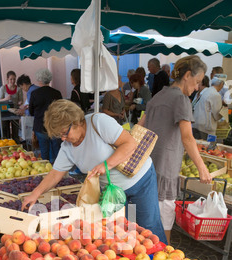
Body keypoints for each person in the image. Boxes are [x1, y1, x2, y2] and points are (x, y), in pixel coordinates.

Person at [22, 99, 167, 245]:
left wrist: (106, 165)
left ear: (76, 121)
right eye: (60, 136)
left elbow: (130, 144)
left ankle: (164, 256)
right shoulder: (67, 147)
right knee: (124, 233)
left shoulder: (98, 122)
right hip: (112, 195)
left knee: (149, 228)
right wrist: (35, 194)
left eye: (65, 133)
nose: (64, 139)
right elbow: (55, 174)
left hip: (140, 181)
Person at [139, 55, 212, 245]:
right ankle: (163, 258)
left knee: (146, 221)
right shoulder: (181, 99)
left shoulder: (159, 95)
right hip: (166, 169)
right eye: (196, 82)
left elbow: (140, 126)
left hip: (146, 167)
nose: (197, 88)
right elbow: (187, 137)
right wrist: (202, 168)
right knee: (164, 224)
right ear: (187, 75)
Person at [29, 68, 62, 163]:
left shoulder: (35, 94)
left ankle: (46, 172)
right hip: (55, 126)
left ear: (39, 80)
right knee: (57, 151)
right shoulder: (57, 93)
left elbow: (31, 112)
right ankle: (58, 171)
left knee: (44, 152)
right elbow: (61, 110)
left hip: (40, 126)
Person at [192, 74, 226, 140]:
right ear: (221, 84)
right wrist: (224, 109)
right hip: (207, 130)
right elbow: (217, 116)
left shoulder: (206, 91)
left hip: (197, 125)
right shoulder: (216, 95)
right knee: (208, 148)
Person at [0, 71, 23, 142]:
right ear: (7, 79)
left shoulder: (18, 89)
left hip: (15, 112)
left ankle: (16, 144)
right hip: (5, 112)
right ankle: (7, 144)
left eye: (14, 79)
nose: (12, 81)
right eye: (11, 79)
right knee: (5, 130)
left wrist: (20, 102)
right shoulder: (3, 88)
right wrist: (5, 99)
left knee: (15, 130)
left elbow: (21, 100)